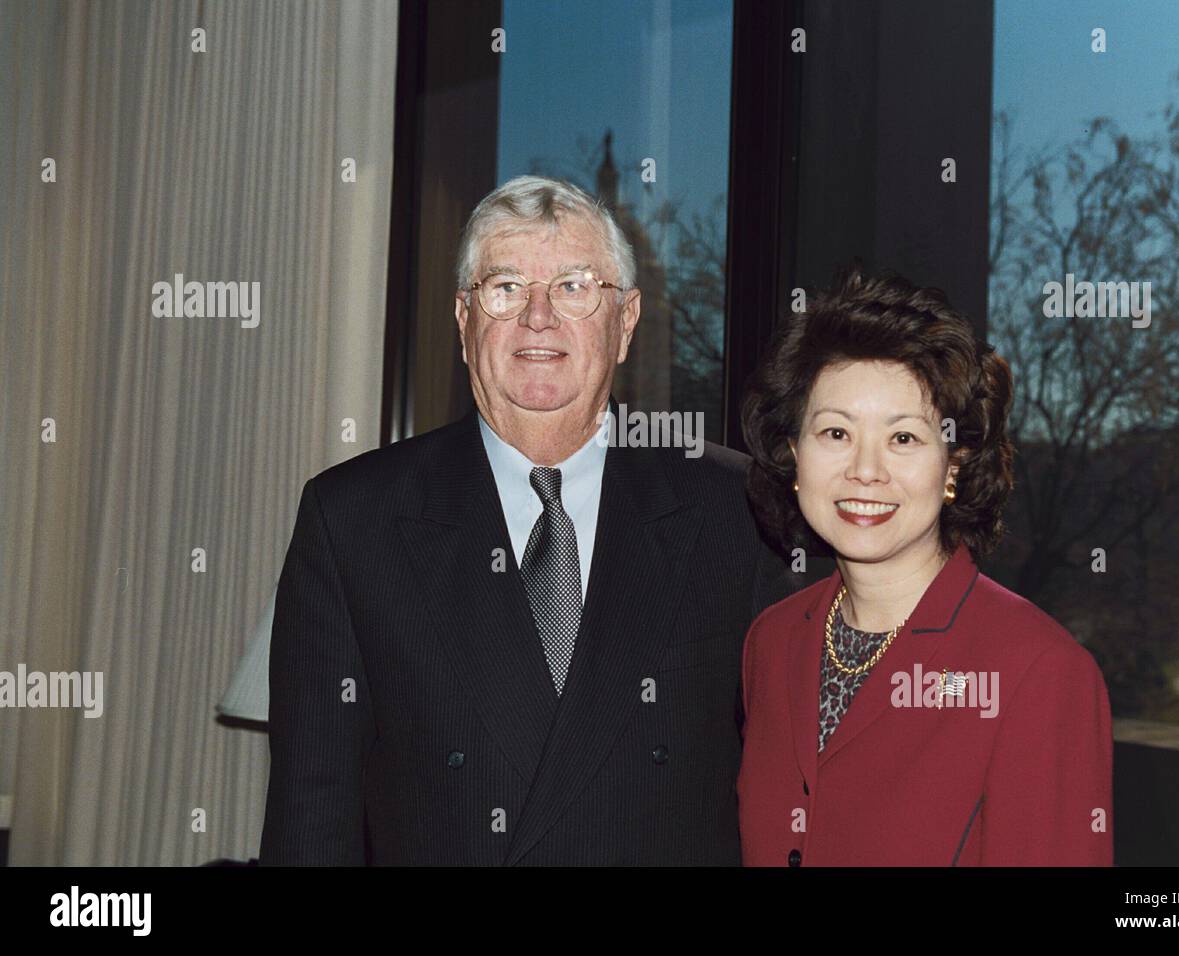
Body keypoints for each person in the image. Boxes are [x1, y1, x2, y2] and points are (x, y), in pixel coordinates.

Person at [258, 175, 806, 865]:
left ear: (626, 322)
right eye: (506, 287)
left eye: (576, 286)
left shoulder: (734, 507)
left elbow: (799, 792)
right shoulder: (352, 521)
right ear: (464, 320)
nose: (538, 316)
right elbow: (312, 819)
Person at [736, 268, 1113, 866]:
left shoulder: (1038, 671)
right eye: (836, 431)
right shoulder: (772, 641)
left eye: (904, 439)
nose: (866, 469)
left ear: (955, 467)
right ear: (794, 455)